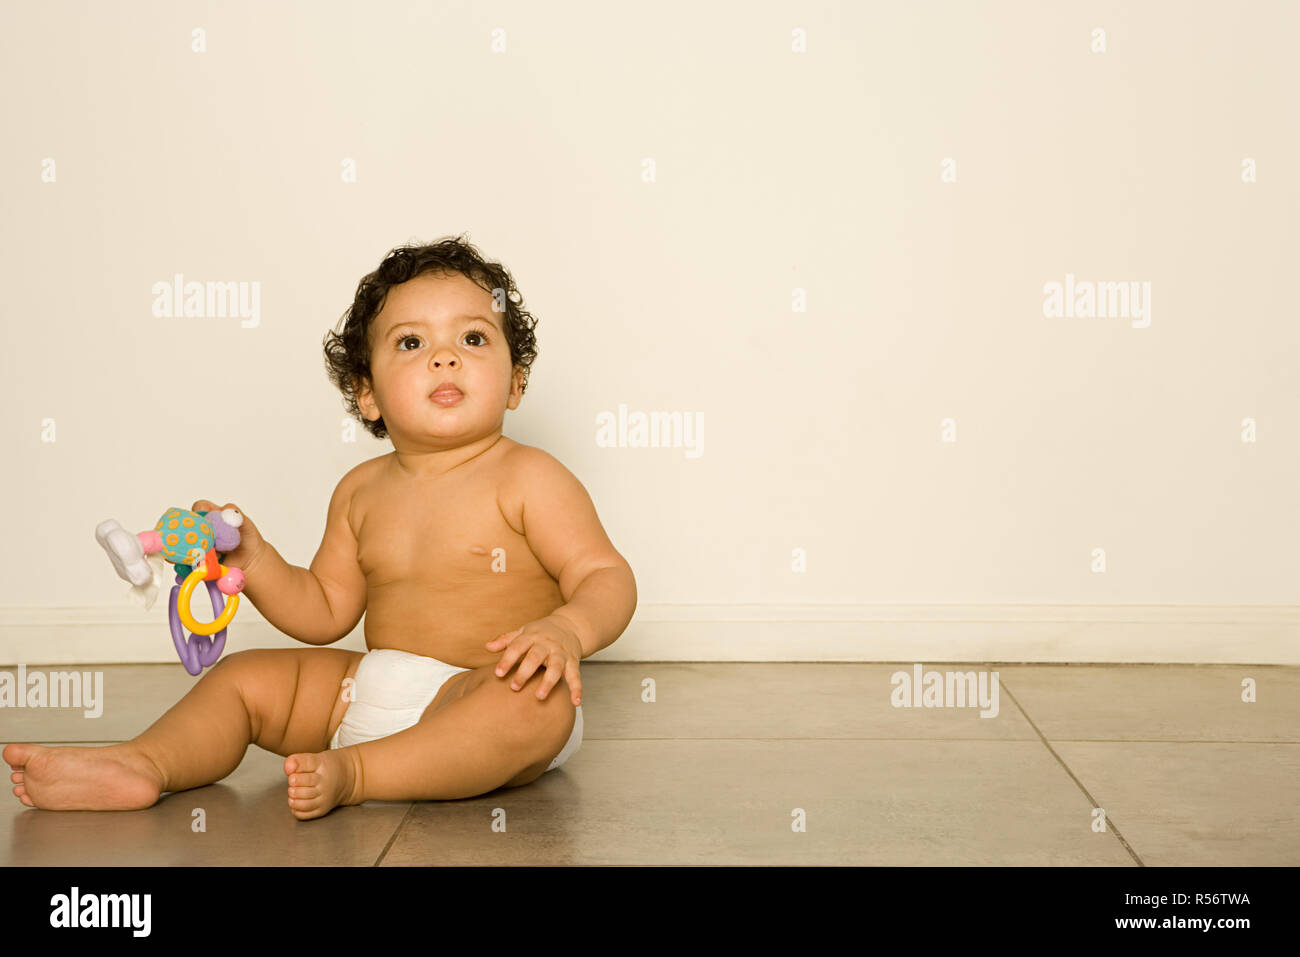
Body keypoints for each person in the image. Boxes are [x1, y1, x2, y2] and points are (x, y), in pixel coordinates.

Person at [6, 235, 637, 820]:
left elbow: (605, 575)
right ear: (368, 395)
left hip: (484, 693)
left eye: (473, 339)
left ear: (516, 381)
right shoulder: (360, 491)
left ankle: (359, 773)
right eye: (412, 344)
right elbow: (326, 610)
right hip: (366, 687)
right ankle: (145, 762)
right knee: (244, 678)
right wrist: (253, 561)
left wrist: (565, 630)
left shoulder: (530, 477)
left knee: (537, 704)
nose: (445, 357)